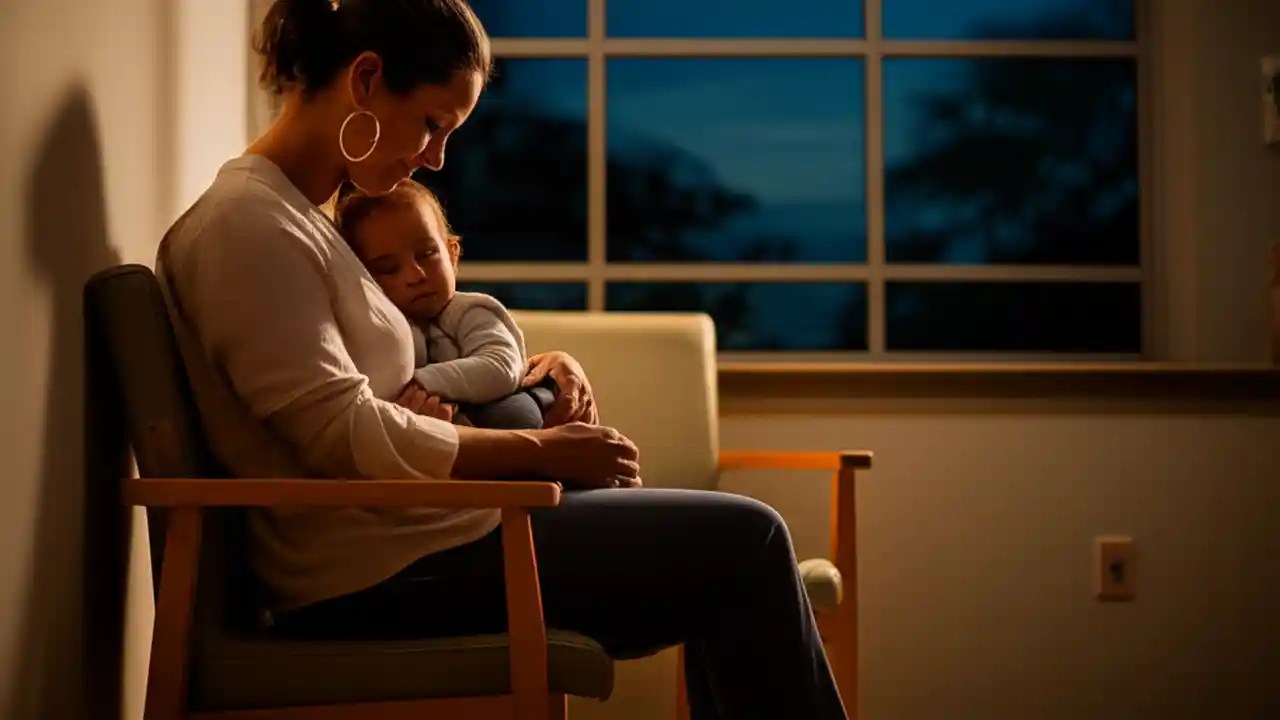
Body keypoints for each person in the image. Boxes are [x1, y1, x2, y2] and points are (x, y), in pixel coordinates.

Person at [155, 0, 847, 717]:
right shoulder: (247, 226)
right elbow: (341, 430)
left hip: (428, 537)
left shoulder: (308, 222)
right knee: (749, 542)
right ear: (364, 80)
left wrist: (535, 369)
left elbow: (400, 364)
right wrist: (541, 452)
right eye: (432, 123)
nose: (435, 157)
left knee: (730, 556)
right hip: (378, 573)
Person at [334, 178, 557, 430]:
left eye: (427, 254)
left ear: (452, 254)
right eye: (388, 269)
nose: (415, 275)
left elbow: (502, 365)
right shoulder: (379, 328)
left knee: (515, 414)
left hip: (494, 410)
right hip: (432, 427)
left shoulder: (472, 310)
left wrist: (421, 383)